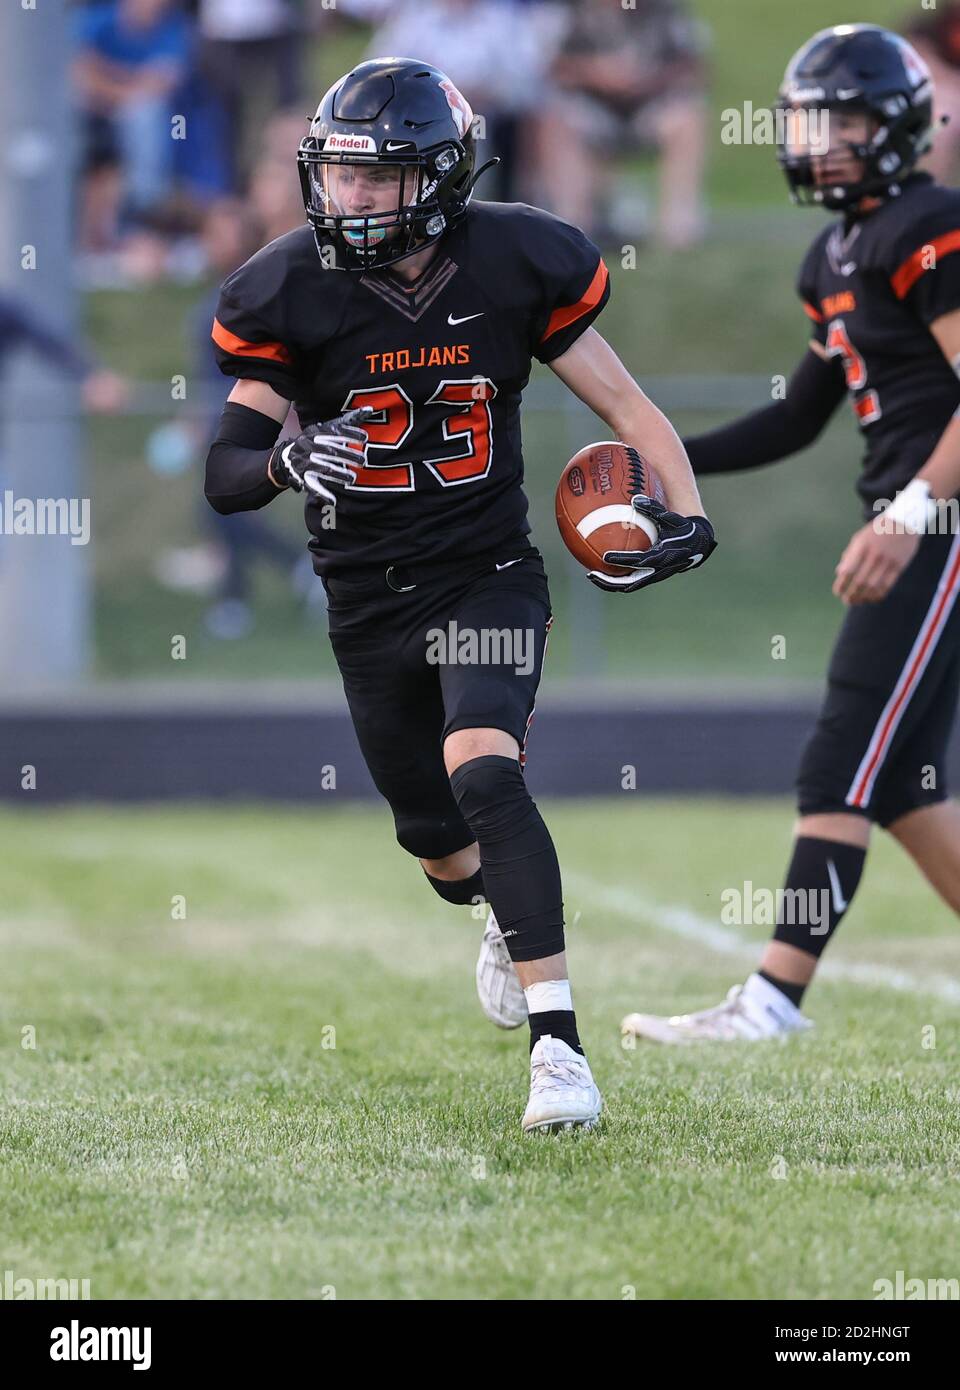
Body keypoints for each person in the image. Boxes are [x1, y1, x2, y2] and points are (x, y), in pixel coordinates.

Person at [204, 57, 715, 1131]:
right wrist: (287, 463)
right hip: (366, 597)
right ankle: (493, 908)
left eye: (374, 177)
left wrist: (691, 515)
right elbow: (225, 470)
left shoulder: (516, 259)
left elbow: (628, 403)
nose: (347, 197)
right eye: (337, 174)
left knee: (483, 767)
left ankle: (560, 1054)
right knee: (437, 843)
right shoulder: (291, 285)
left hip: (486, 571)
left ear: (437, 177)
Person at [622, 25, 960, 1045]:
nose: (820, 141)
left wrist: (910, 513)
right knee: (898, 786)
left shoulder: (927, 225)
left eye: (843, 122)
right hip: (914, 514)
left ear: (895, 128)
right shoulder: (835, 253)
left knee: (837, 762)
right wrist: (666, 464)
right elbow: (796, 417)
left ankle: (773, 999)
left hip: (941, 517)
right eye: (810, 121)